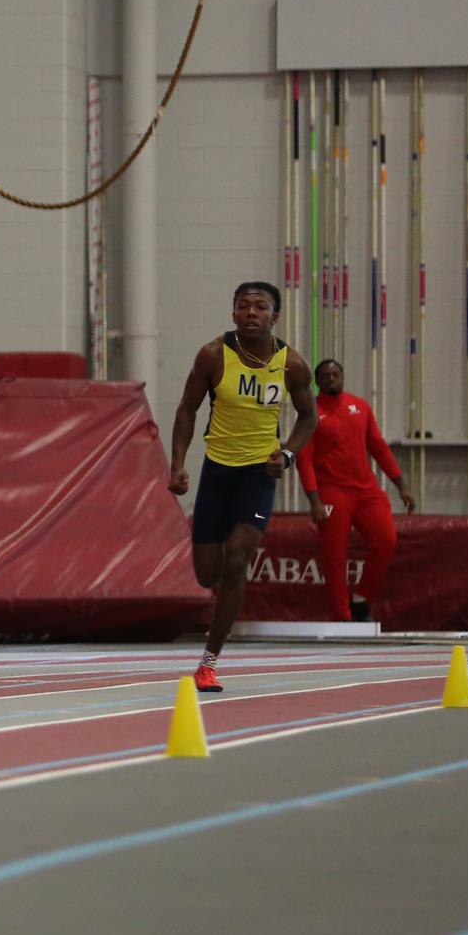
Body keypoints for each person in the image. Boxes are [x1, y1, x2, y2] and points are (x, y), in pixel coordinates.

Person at [168, 281, 316, 692]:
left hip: (258, 473)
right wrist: (178, 465)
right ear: (233, 313)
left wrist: (286, 454)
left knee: (237, 557)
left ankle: (208, 662)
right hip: (218, 472)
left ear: (275, 316)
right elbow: (187, 408)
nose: (251, 312)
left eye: (260, 307)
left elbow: (309, 418)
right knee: (205, 575)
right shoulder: (214, 355)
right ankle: (219, 610)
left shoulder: (293, 365)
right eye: (243, 306)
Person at [299, 358, 415, 622]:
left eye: (335, 374)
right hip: (332, 492)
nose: (331, 378)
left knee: (386, 540)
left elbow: (379, 448)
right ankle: (343, 616)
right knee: (335, 555)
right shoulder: (311, 413)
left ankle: (361, 598)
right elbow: (304, 460)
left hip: (366, 490)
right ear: (317, 382)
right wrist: (314, 499)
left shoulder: (360, 407)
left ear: (342, 377)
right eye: (325, 375)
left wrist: (401, 486)